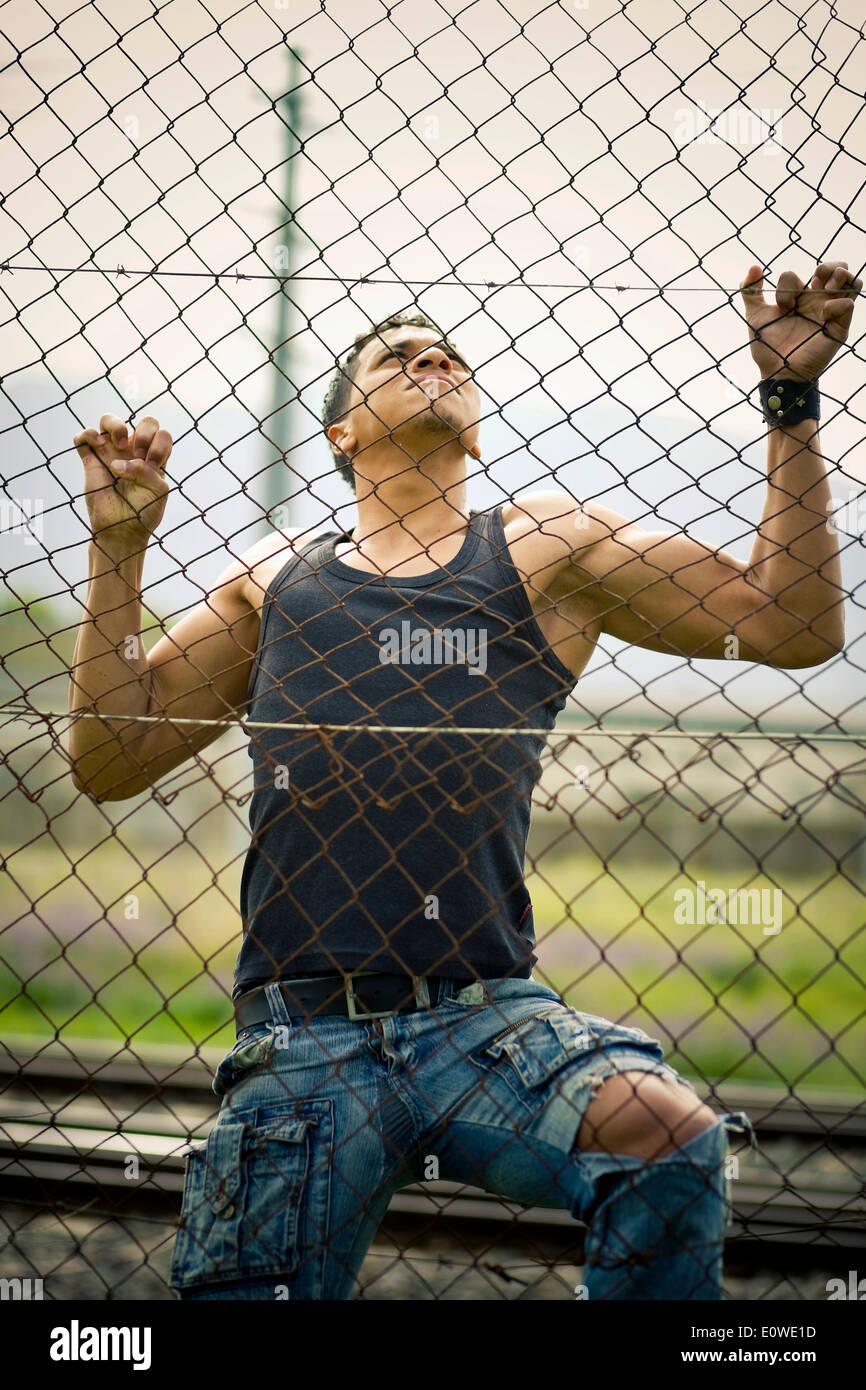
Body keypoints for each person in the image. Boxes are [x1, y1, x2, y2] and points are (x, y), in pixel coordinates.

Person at [68, 261, 858, 1299]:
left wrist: (790, 403)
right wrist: (118, 549)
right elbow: (109, 758)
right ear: (343, 435)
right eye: (395, 358)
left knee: (667, 1138)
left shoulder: (543, 550)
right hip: (302, 1033)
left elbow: (791, 623)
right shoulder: (274, 580)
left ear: (476, 426)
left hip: (482, 1019)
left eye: (447, 354)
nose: (430, 357)